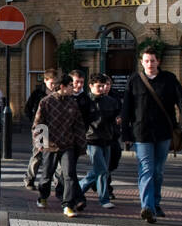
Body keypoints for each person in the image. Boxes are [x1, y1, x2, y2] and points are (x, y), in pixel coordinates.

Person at [121, 48, 182, 223]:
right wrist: (125, 133)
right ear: (141, 62)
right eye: (146, 61)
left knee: (158, 171)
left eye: (152, 60)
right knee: (146, 169)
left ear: (158, 61)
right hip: (141, 132)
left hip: (163, 132)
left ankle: (155, 202)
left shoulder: (169, 79)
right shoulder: (135, 80)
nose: (150, 64)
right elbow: (127, 108)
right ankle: (147, 207)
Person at [33, 74, 86, 217]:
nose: (73, 88)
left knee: (69, 174)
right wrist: (40, 143)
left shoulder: (72, 103)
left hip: (68, 144)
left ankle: (67, 205)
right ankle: (43, 196)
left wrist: (81, 145)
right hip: (50, 145)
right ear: (62, 86)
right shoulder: (46, 102)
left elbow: (79, 125)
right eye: (70, 86)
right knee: (47, 175)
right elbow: (38, 124)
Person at [79, 73, 120, 209]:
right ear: (90, 86)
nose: (102, 89)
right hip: (92, 139)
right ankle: (104, 199)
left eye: (103, 86)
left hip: (107, 139)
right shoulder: (85, 101)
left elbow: (116, 117)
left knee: (101, 170)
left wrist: (117, 124)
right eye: (99, 86)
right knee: (102, 170)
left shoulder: (110, 101)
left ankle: (77, 189)